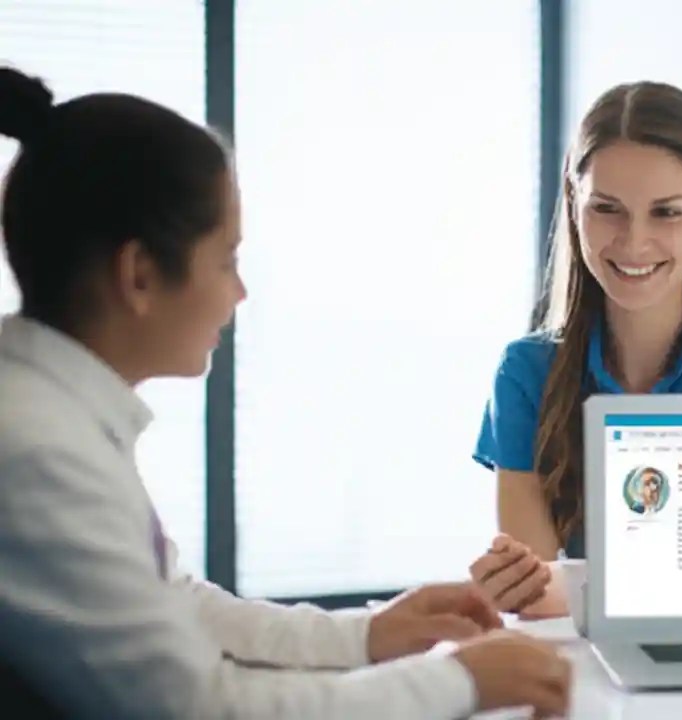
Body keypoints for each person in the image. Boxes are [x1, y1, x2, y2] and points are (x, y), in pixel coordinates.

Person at [0, 68, 570, 719]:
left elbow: (168, 601)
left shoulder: (53, 413)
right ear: (139, 275)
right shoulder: (37, 451)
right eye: (228, 261)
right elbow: (199, 708)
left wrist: (367, 633)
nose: (238, 295)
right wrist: (459, 682)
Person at [468, 81, 682, 617]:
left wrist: (577, 586)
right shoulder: (525, 373)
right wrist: (528, 586)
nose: (634, 243)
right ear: (572, 203)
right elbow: (537, 598)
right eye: (607, 209)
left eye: (667, 212)